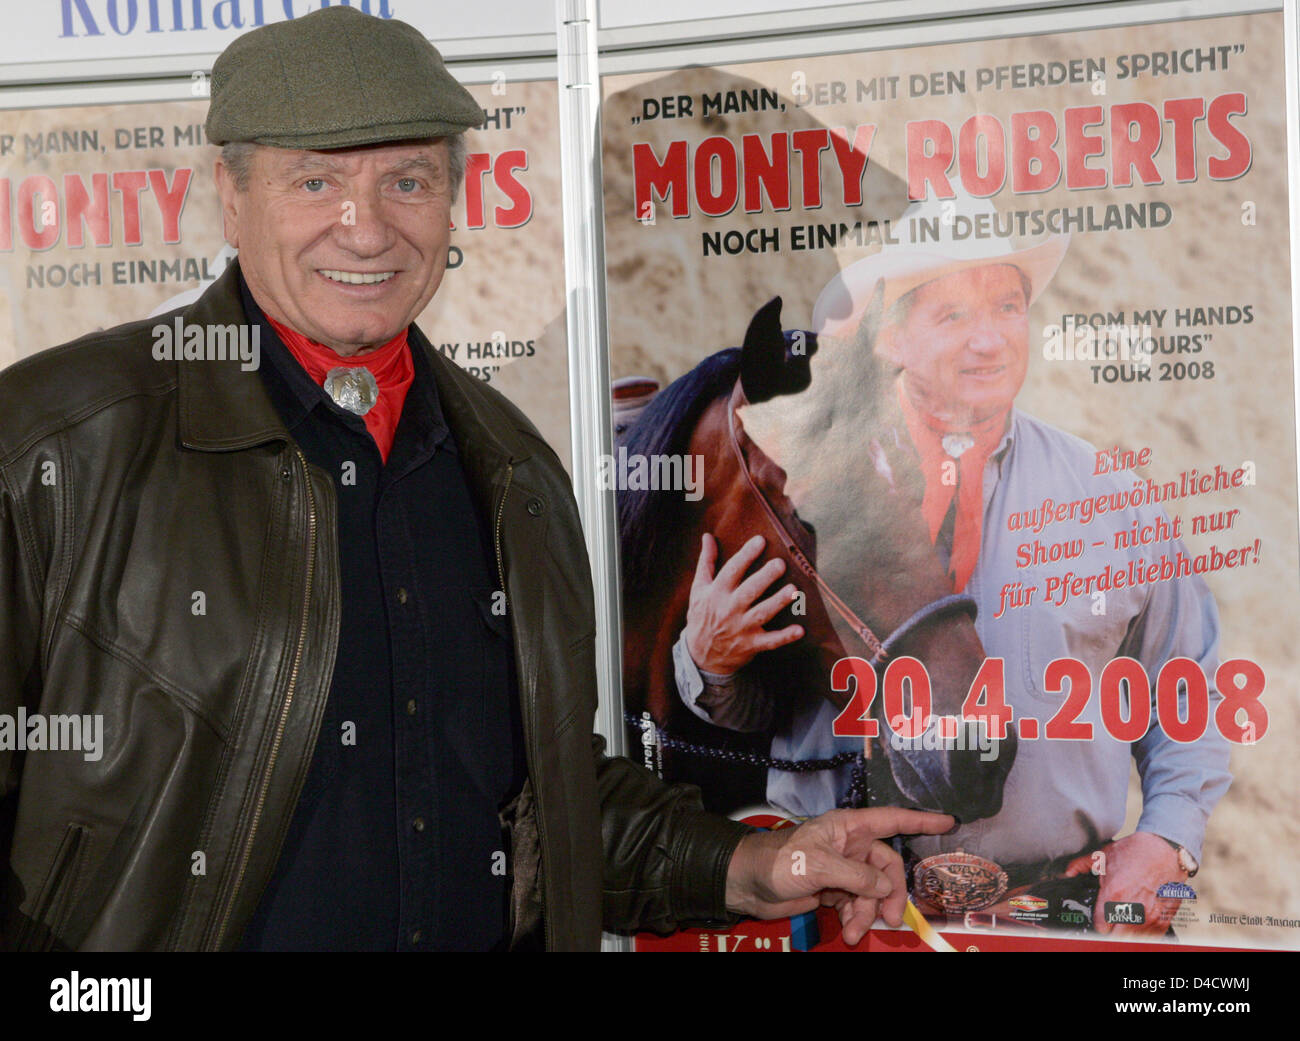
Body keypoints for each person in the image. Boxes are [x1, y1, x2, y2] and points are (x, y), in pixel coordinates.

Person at [0, 6, 952, 952]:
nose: (364, 229)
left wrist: (754, 866)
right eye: (314, 181)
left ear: (455, 198)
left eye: (406, 180)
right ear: (231, 195)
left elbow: (541, 810)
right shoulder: (55, 445)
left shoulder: (509, 467)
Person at [674, 194, 1232, 937]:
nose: (990, 341)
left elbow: (1189, 691)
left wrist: (1167, 838)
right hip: (843, 914)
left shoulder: (1114, 503)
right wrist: (707, 662)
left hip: (1055, 921)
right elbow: (755, 705)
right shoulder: (805, 483)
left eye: (1007, 306)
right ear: (892, 338)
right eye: (953, 316)